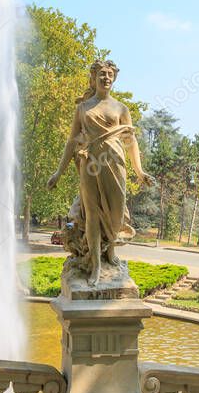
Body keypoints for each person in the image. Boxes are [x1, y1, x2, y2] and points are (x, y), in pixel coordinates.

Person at [47, 59, 154, 286]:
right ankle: (96, 266)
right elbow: (71, 142)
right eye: (102, 74)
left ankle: (111, 251)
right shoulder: (83, 108)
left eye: (110, 75)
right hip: (89, 164)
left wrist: (140, 171)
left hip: (115, 162)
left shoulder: (121, 109)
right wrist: (58, 172)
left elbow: (131, 141)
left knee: (116, 213)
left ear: (114, 79)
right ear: (94, 78)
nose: (106, 78)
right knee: (93, 213)